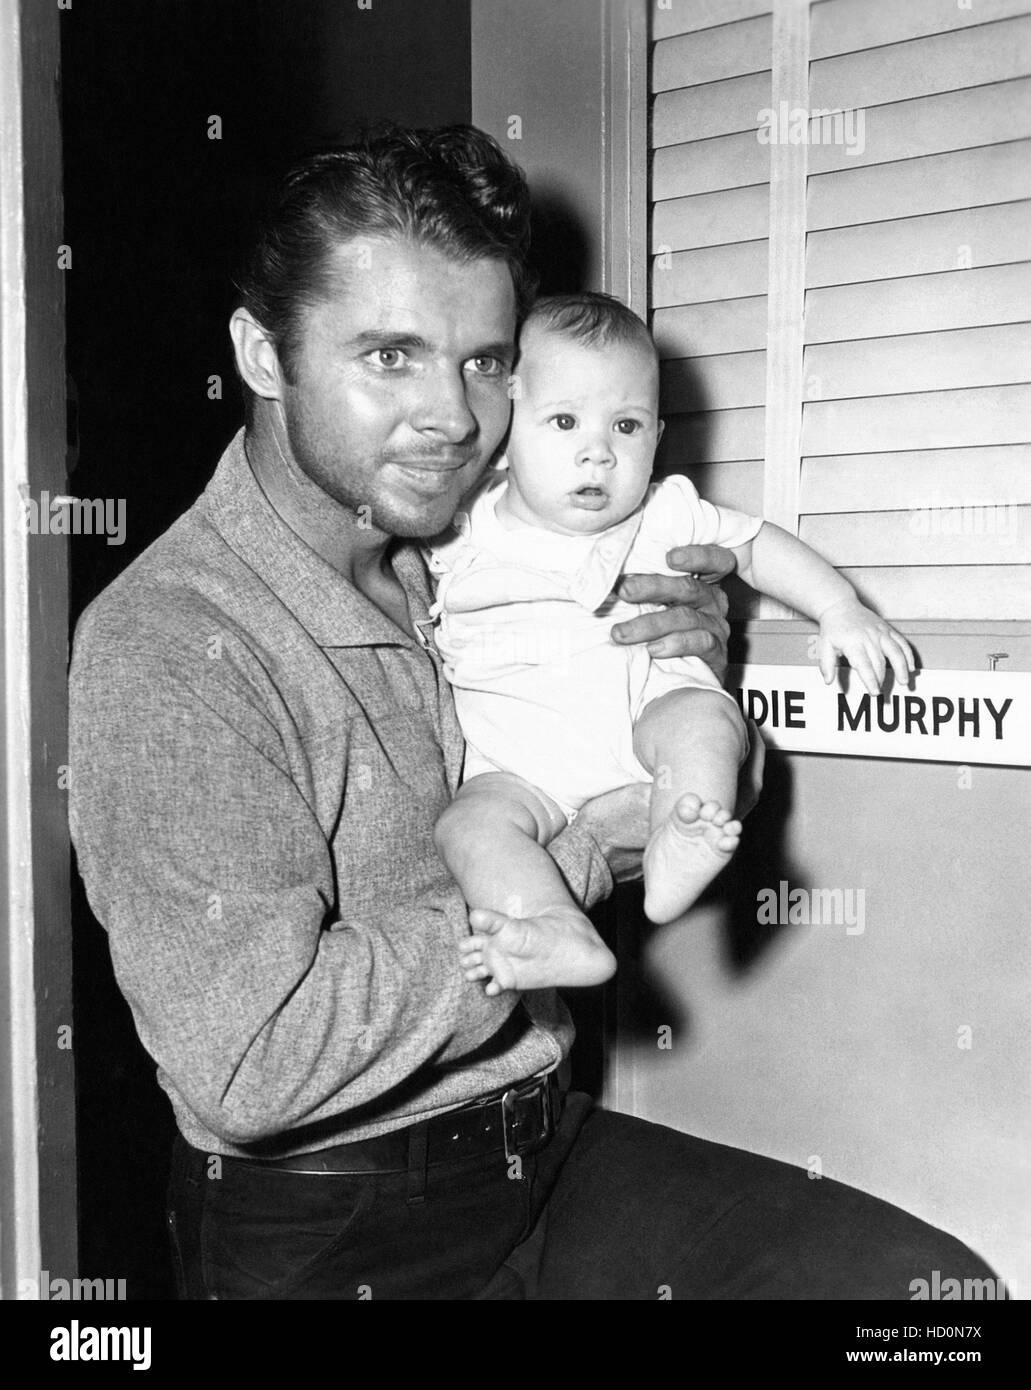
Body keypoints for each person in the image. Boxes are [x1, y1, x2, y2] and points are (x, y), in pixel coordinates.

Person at [69, 126, 997, 1300]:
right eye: (390, 356)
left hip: (538, 1144)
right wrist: (580, 855)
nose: (452, 419)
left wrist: (684, 683)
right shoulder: (169, 645)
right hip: (335, 1226)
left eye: (485, 362)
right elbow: (250, 1060)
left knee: (926, 1299)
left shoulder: (451, 551)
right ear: (261, 353)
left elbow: (665, 745)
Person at [431, 293, 915, 997]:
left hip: (644, 715)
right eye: (563, 421)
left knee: (706, 722)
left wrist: (839, 608)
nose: (597, 450)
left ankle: (675, 837)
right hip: (517, 765)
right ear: (507, 424)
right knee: (468, 828)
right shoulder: (463, 525)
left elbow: (754, 546)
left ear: (655, 437)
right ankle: (550, 926)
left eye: (624, 425)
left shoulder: (664, 511)